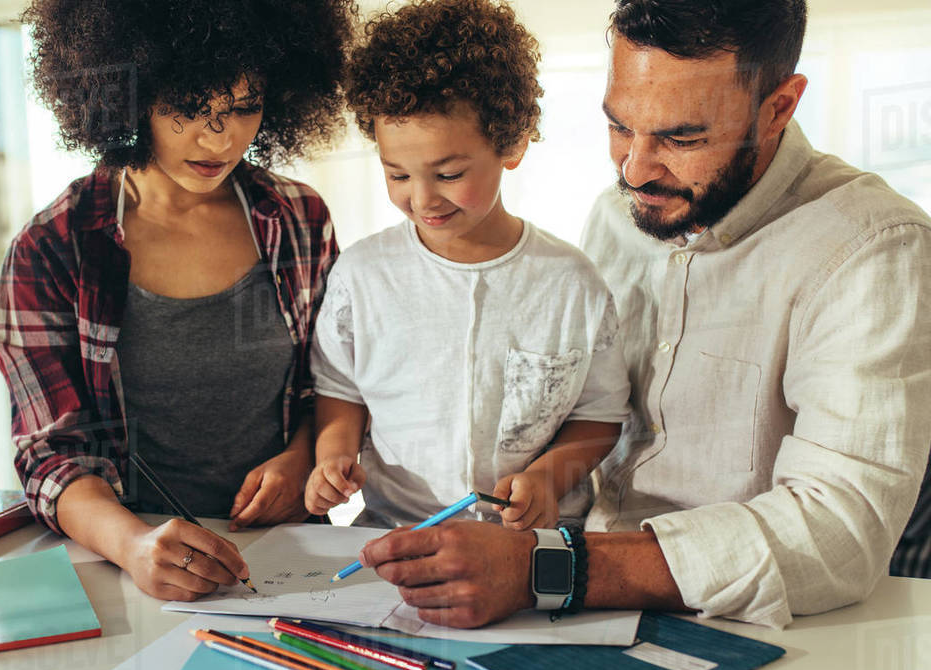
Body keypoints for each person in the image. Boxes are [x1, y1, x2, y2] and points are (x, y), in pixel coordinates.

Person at [357, 0, 931, 629]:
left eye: (682, 138)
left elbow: (840, 534)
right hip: (567, 607)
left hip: (751, 632)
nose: (634, 169)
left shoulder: (874, 244)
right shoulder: (619, 215)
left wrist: (541, 568)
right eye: (620, 127)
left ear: (779, 108)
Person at [0, 0, 354, 601]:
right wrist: (135, 546)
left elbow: (334, 381)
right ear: (129, 97)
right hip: (127, 564)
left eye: (245, 107)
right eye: (189, 108)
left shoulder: (298, 218)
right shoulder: (53, 245)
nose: (220, 136)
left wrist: (300, 461)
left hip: (288, 560)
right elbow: (50, 452)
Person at [304, 0, 631, 535]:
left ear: (512, 143)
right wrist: (332, 455)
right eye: (398, 175)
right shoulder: (362, 275)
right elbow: (340, 390)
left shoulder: (571, 282)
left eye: (450, 173)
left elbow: (601, 416)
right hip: (395, 531)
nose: (423, 199)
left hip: (531, 542)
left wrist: (548, 479)